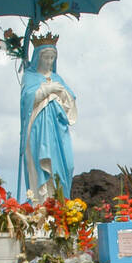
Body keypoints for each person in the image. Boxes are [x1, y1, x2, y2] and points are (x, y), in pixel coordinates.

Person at [19, 35, 77, 201]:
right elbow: (26, 99)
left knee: (66, 165)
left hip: (58, 130)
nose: (49, 61)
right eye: (46, 57)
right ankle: (42, 205)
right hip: (39, 126)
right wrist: (47, 90)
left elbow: (71, 102)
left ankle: (61, 204)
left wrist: (60, 92)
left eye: (52, 57)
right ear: (38, 57)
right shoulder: (30, 77)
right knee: (42, 164)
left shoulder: (58, 78)